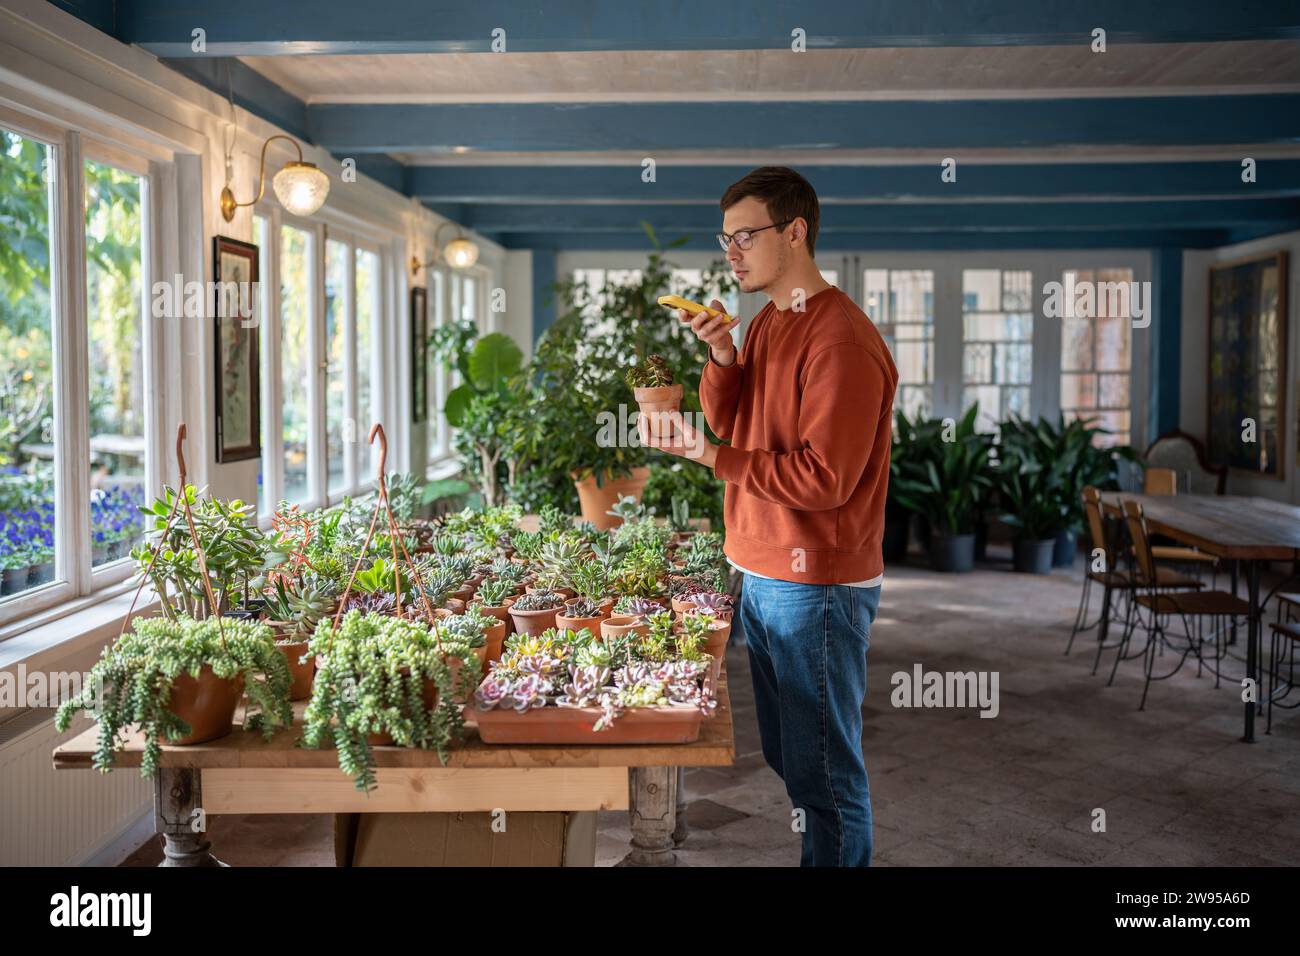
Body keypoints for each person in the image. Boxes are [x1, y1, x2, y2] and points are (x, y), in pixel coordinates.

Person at [638, 166, 898, 867]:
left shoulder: (839, 339)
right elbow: (737, 419)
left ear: (795, 231)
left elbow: (823, 480)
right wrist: (723, 354)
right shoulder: (769, 324)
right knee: (794, 759)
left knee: (825, 777)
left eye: (745, 235)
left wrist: (709, 458)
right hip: (763, 569)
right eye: (726, 239)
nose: (731, 252)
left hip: (814, 585)